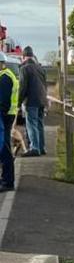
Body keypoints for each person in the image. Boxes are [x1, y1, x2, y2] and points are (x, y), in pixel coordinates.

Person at [18, 46, 47, 156]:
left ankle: (34, 148)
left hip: (31, 100)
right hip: (42, 99)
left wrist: (18, 102)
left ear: (23, 57)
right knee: (39, 123)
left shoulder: (24, 69)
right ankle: (41, 147)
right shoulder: (40, 68)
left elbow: (22, 87)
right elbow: (44, 84)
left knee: (31, 124)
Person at [0, 53, 18, 190]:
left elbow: (3, 102)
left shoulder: (5, 78)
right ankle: (5, 179)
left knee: (5, 148)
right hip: (6, 115)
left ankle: (8, 182)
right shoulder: (6, 75)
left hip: (4, 116)